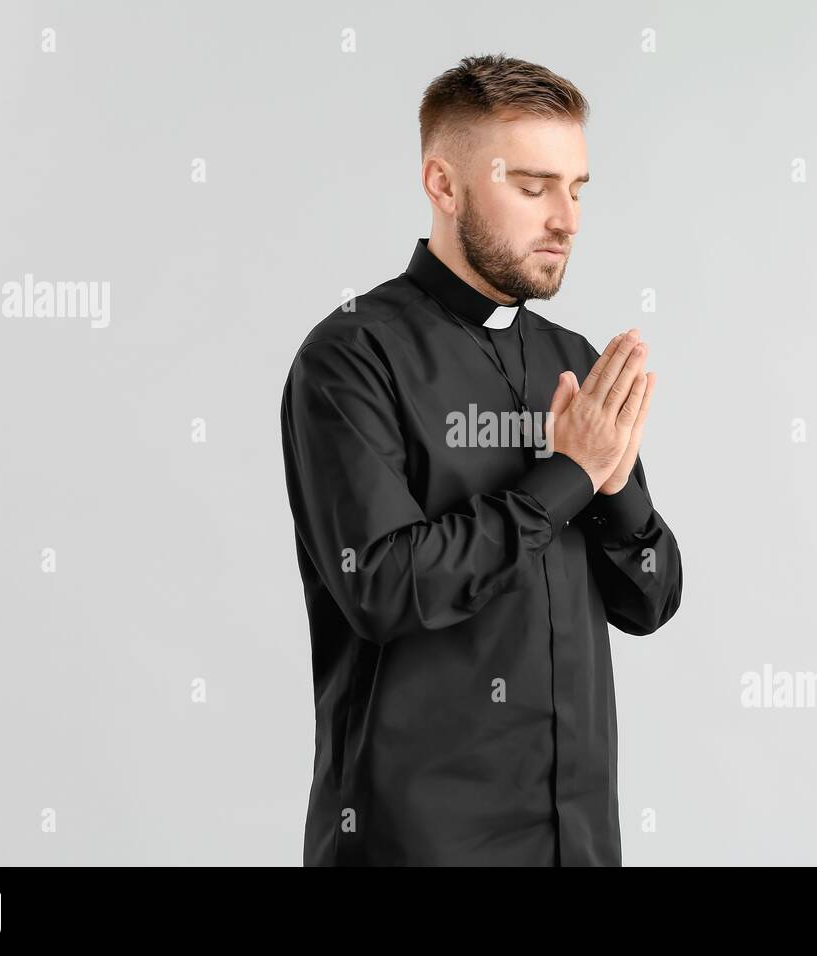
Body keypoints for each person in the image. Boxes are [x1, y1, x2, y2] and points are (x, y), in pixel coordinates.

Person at [280, 54, 683, 866]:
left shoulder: (573, 357)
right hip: (416, 842)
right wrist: (565, 477)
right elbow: (385, 586)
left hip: (578, 841)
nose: (565, 218)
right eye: (533, 188)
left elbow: (650, 602)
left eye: (577, 188)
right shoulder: (351, 357)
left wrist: (614, 493)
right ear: (444, 184)